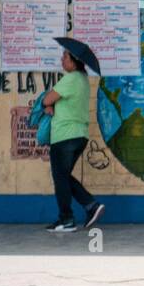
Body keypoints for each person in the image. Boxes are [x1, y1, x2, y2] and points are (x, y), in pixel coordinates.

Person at [42, 40, 104, 233]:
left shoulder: (71, 79)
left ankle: (67, 220)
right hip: (79, 136)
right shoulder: (83, 80)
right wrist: (51, 104)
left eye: (65, 57)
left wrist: (49, 104)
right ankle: (90, 206)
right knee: (64, 176)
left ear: (74, 61)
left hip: (65, 136)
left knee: (60, 178)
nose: (62, 60)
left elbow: (47, 98)